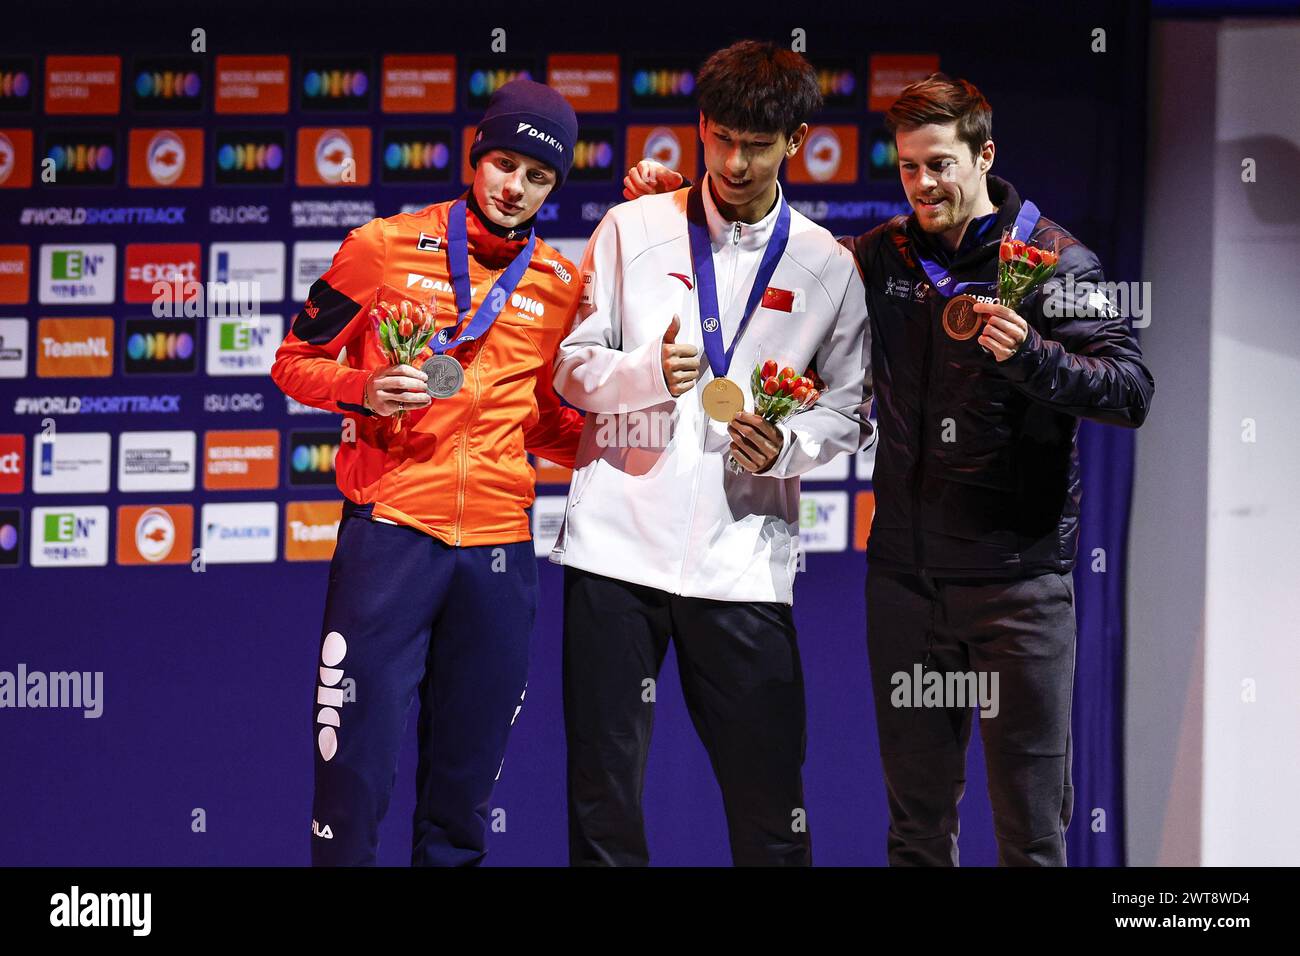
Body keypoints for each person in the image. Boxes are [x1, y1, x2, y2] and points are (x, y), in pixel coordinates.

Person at [629, 73, 1155, 866]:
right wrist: (680, 209)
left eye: (940, 164)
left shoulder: (1057, 264)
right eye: (909, 167)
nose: (924, 184)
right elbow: (780, 270)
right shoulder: (882, 255)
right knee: (916, 830)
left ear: (985, 155)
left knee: (1031, 833)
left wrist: (1033, 357)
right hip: (908, 585)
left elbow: (1130, 390)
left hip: (1018, 589)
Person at [551, 40, 873, 866]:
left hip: (742, 562)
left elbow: (851, 409)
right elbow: (572, 370)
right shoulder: (632, 227)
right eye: (720, 137)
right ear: (699, 127)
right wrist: (645, 372)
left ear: (795, 143)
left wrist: (788, 445)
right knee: (603, 796)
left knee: (770, 803)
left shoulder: (827, 266)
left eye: (756, 145)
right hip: (616, 552)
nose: (733, 161)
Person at [271, 77, 585, 866]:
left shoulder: (558, 285)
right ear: (475, 157)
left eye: (538, 176)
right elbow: (294, 362)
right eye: (504, 164)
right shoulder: (380, 247)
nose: (515, 187)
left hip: (498, 553)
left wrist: (630, 449)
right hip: (391, 539)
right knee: (355, 775)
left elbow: (543, 419)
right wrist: (363, 389)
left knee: (463, 791)